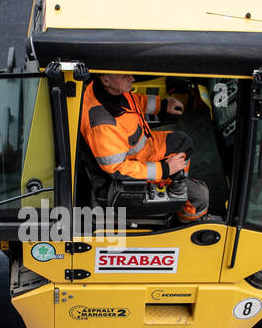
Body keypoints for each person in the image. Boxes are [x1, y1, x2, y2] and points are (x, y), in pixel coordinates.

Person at [79, 72, 210, 222]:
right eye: (125, 76)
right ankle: (186, 218)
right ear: (105, 80)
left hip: (145, 148)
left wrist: (163, 105)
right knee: (200, 197)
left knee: (183, 142)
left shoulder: (110, 90)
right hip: (136, 169)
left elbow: (134, 102)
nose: (132, 79)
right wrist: (164, 169)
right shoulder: (104, 125)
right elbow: (118, 170)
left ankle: (178, 181)